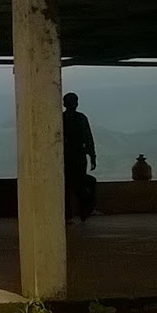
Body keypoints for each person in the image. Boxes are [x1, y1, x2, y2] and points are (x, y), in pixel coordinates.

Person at [62, 93, 97, 222]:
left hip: (66, 157)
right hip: (78, 157)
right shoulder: (81, 118)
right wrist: (92, 156)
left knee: (68, 186)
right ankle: (83, 212)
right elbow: (88, 138)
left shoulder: (61, 118)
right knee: (79, 185)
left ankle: (69, 214)